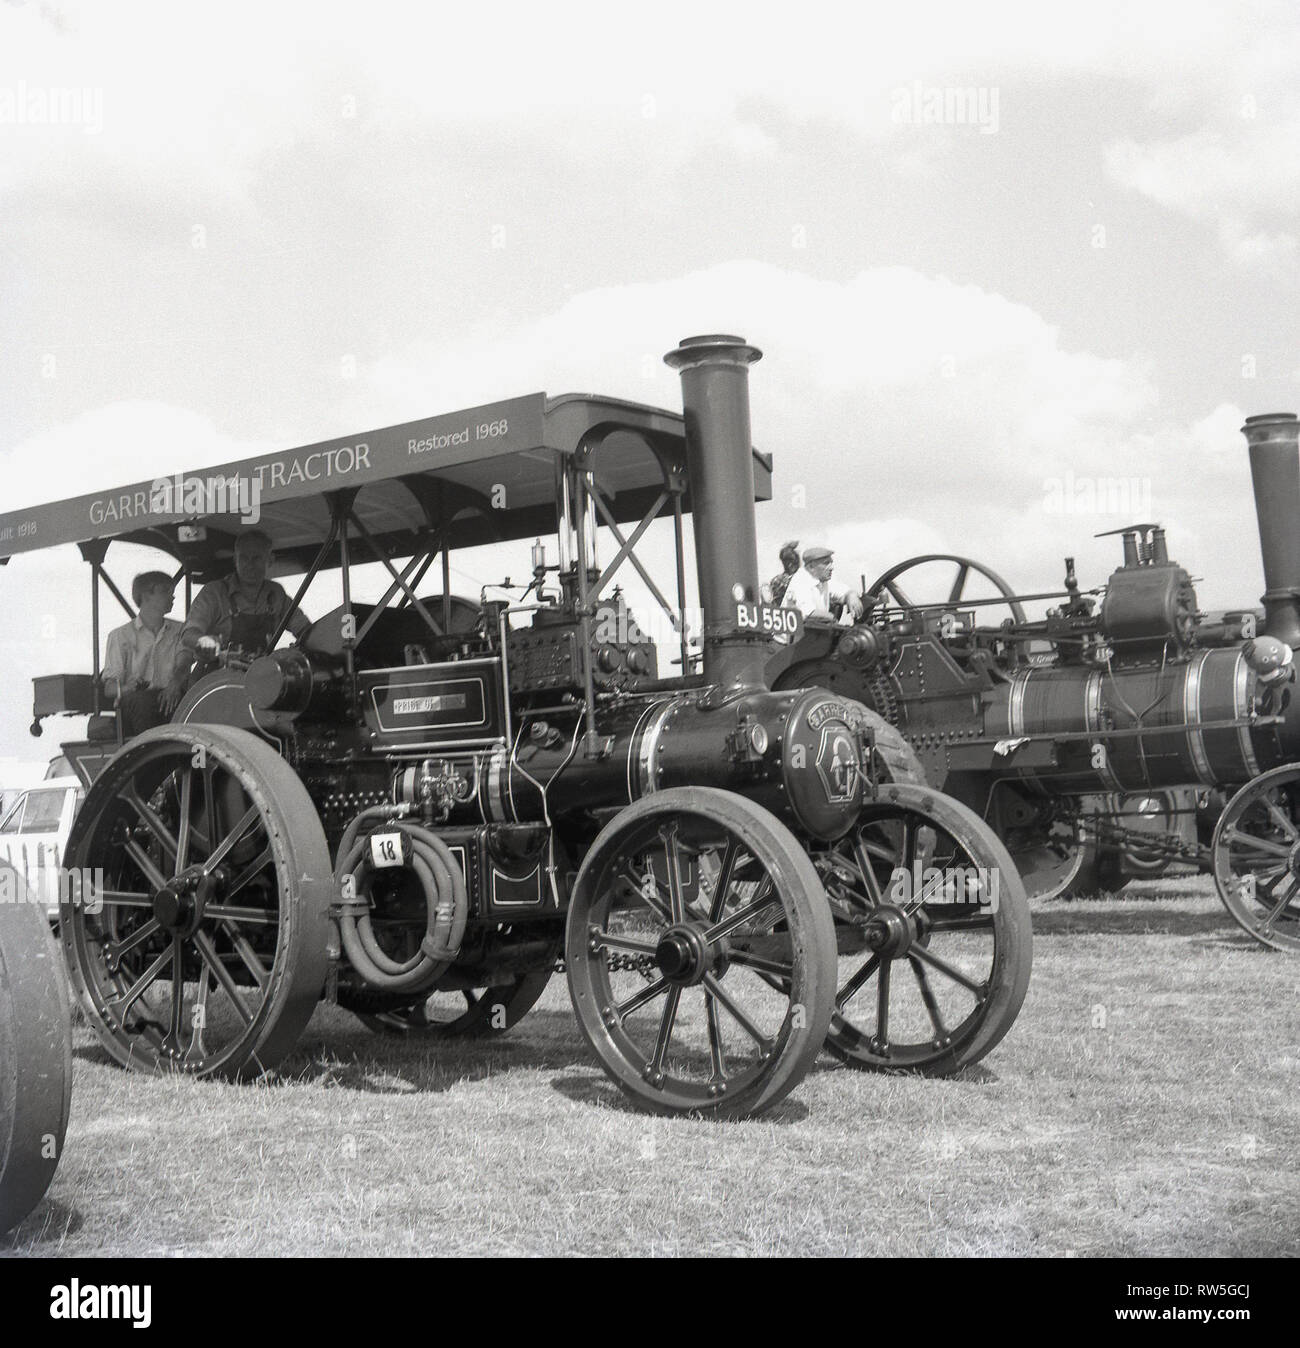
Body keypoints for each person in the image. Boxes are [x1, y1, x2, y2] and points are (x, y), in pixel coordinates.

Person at [180, 529, 311, 661]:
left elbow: (305, 630)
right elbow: (189, 634)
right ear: (235, 560)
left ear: (270, 560)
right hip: (216, 677)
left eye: (256, 558)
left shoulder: (276, 593)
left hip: (261, 674)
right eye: (243, 558)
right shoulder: (214, 592)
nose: (250, 565)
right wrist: (203, 641)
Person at [102, 572, 191, 735]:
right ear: (145, 595)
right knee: (142, 702)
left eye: (172, 592)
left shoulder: (180, 630)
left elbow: (184, 664)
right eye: (165, 591)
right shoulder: (120, 635)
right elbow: (109, 689)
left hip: (172, 696)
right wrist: (127, 687)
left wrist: (174, 686)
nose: (172, 597)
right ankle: (151, 752)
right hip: (137, 704)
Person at [781, 544, 863, 624]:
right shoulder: (800, 580)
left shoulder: (823, 579)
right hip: (793, 637)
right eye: (826, 563)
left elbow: (844, 592)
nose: (831, 568)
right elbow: (809, 613)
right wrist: (833, 619)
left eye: (831, 563)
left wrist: (851, 595)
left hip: (812, 634)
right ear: (811, 567)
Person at [769, 540, 801, 606]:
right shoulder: (777, 581)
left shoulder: (802, 578)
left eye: (792, 561)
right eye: (786, 561)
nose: (790, 564)